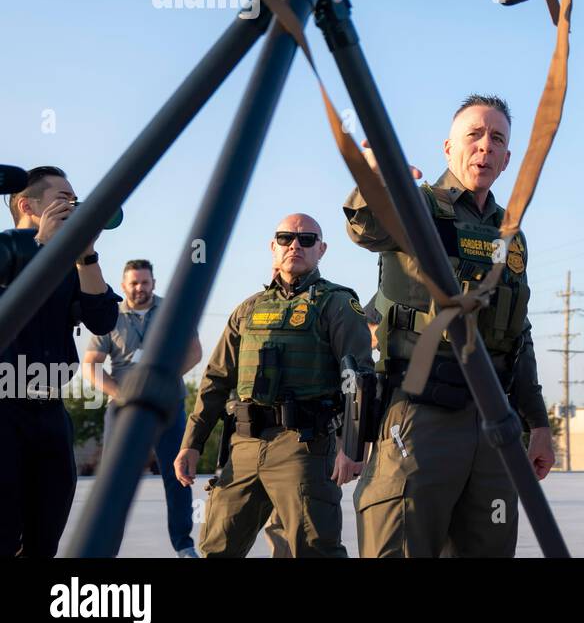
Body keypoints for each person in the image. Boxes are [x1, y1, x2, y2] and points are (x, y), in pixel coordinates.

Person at [343, 94, 554, 558]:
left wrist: (538, 423)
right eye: (474, 135)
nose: (485, 146)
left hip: (495, 427)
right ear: (448, 146)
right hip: (419, 417)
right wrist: (373, 181)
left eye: (497, 139)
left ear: (507, 158)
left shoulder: (509, 233)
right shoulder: (414, 204)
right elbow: (364, 227)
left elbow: (517, 334)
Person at [174, 214, 369, 557]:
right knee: (216, 547)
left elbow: (359, 379)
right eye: (285, 238)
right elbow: (216, 381)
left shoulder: (337, 304)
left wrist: (352, 448)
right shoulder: (248, 309)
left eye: (307, 240)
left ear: (321, 249)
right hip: (244, 447)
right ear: (273, 247)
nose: (295, 245)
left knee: (309, 549)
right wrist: (192, 443)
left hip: (304, 448)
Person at [1, 166, 119, 557]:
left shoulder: (70, 267)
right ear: (26, 205)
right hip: (3, 413)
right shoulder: (4, 254)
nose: (73, 206)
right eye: (62, 199)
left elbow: (102, 318)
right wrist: (39, 246)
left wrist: (86, 255)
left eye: (75, 200)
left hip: (49, 412)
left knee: (44, 538)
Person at [82, 259, 203, 557]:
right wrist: (122, 394)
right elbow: (90, 365)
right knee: (113, 481)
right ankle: (106, 548)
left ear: (153, 283)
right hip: (122, 408)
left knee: (179, 476)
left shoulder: (173, 311)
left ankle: (184, 545)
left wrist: (164, 379)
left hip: (168, 404)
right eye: (134, 283)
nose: (139, 288)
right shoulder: (109, 316)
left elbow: (195, 351)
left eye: (145, 282)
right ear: (124, 286)